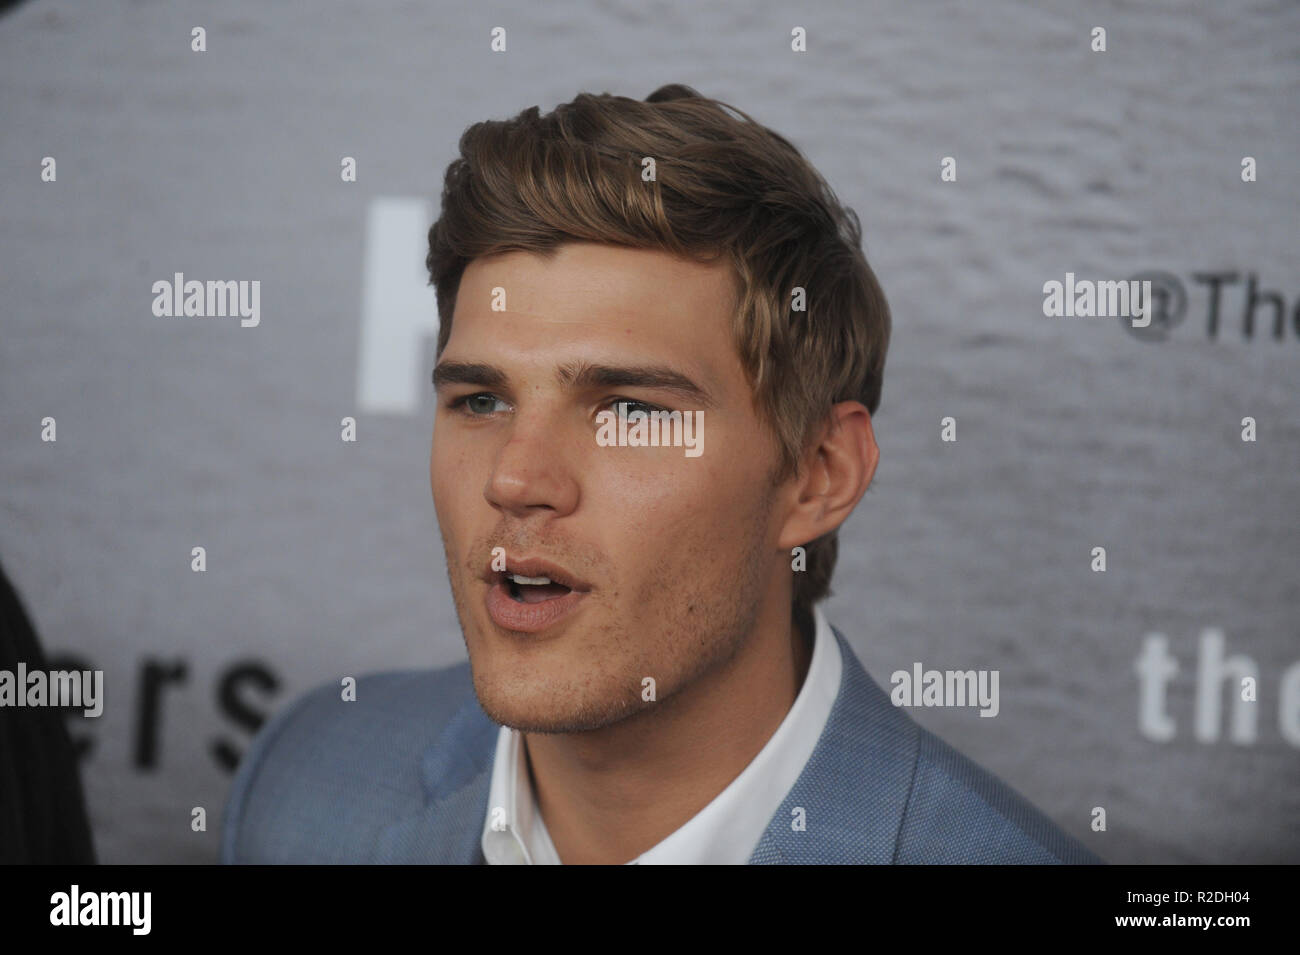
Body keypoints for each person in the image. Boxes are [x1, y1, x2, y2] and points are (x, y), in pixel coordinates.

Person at [221, 84, 1100, 864]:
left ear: (819, 475)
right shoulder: (304, 780)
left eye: (630, 410)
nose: (517, 480)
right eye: (482, 400)